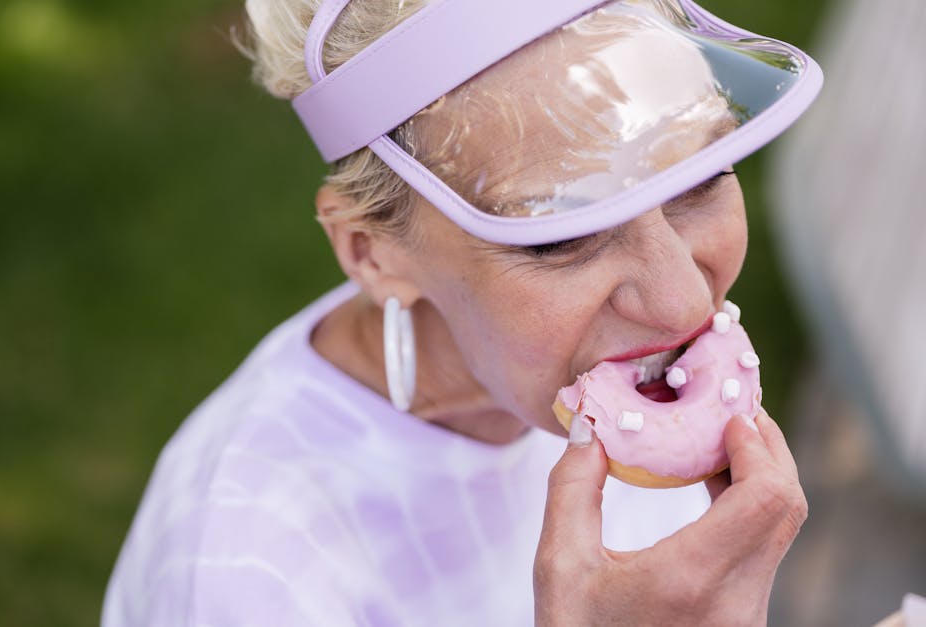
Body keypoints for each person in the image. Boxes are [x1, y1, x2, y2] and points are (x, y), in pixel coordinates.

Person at [104, 0, 823, 624]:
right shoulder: (249, 574)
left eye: (699, 176)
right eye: (559, 234)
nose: (683, 301)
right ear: (372, 253)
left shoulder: (561, 375)